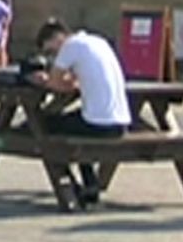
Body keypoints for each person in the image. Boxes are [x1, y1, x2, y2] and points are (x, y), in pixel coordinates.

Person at [30, 19, 132, 208]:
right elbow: (76, 81)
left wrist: (42, 80)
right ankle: (90, 183)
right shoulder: (97, 41)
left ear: (57, 38)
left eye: (50, 51)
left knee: (43, 126)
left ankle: (72, 187)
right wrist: (66, 81)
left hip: (99, 125)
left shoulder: (70, 46)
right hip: (121, 122)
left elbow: (55, 84)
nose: (53, 56)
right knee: (77, 121)